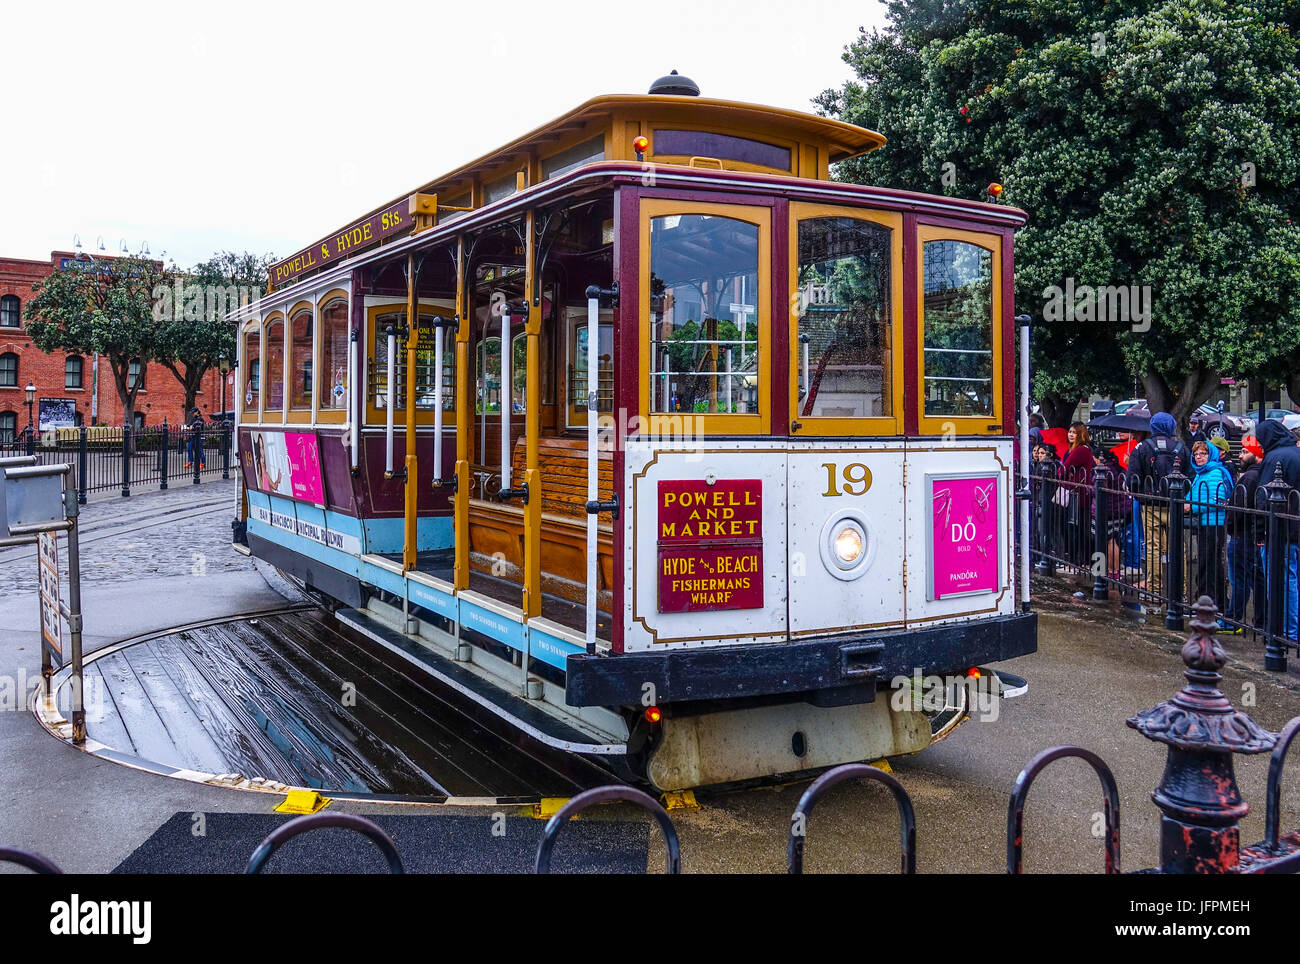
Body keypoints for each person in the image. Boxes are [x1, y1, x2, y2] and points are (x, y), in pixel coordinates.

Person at [1127, 412, 1193, 613]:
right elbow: (1190, 478)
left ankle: (1154, 590)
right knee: (1177, 548)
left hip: (1151, 504)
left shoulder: (1142, 448)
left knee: (1153, 547)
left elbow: (1133, 479)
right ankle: (1179, 592)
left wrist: (1142, 498)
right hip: (1173, 505)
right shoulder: (1181, 449)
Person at [1255, 419, 1300, 641]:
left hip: (1279, 528)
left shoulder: (1275, 458)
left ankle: (1284, 630)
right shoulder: (1295, 451)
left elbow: (1263, 497)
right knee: (1290, 576)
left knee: (1281, 578)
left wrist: (1260, 531)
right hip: (1294, 524)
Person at [1186, 439, 1232, 618]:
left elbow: (1216, 501)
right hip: (1205, 523)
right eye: (1196, 454)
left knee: (1209, 564)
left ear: (1210, 454)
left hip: (1214, 524)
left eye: (1203, 454)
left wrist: (1192, 507)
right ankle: (1212, 601)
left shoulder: (1213, 473)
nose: (1198, 457)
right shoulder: (1201, 474)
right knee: (1209, 564)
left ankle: (1210, 602)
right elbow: (1193, 493)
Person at [1226, 435, 1266, 632]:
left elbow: (1238, 509)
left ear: (1257, 456)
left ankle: (1234, 618)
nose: (1240, 455)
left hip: (1242, 535)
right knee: (1257, 578)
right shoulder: (1261, 475)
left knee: (1239, 578)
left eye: (1245, 452)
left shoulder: (1250, 477)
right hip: (1252, 534)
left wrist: (1231, 527)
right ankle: (1260, 620)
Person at [1061, 421, 1095, 565]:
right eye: (1070, 432)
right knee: (1074, 528)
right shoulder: (1072, 450)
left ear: (1081, 435)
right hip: (1075, 494)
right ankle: (1077, 559)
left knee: (1079, 529)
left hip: (1078, 495)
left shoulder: (1081, 450)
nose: (1071, 435)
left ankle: (1081, 560)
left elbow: (1063, 469)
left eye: (1074, 432)